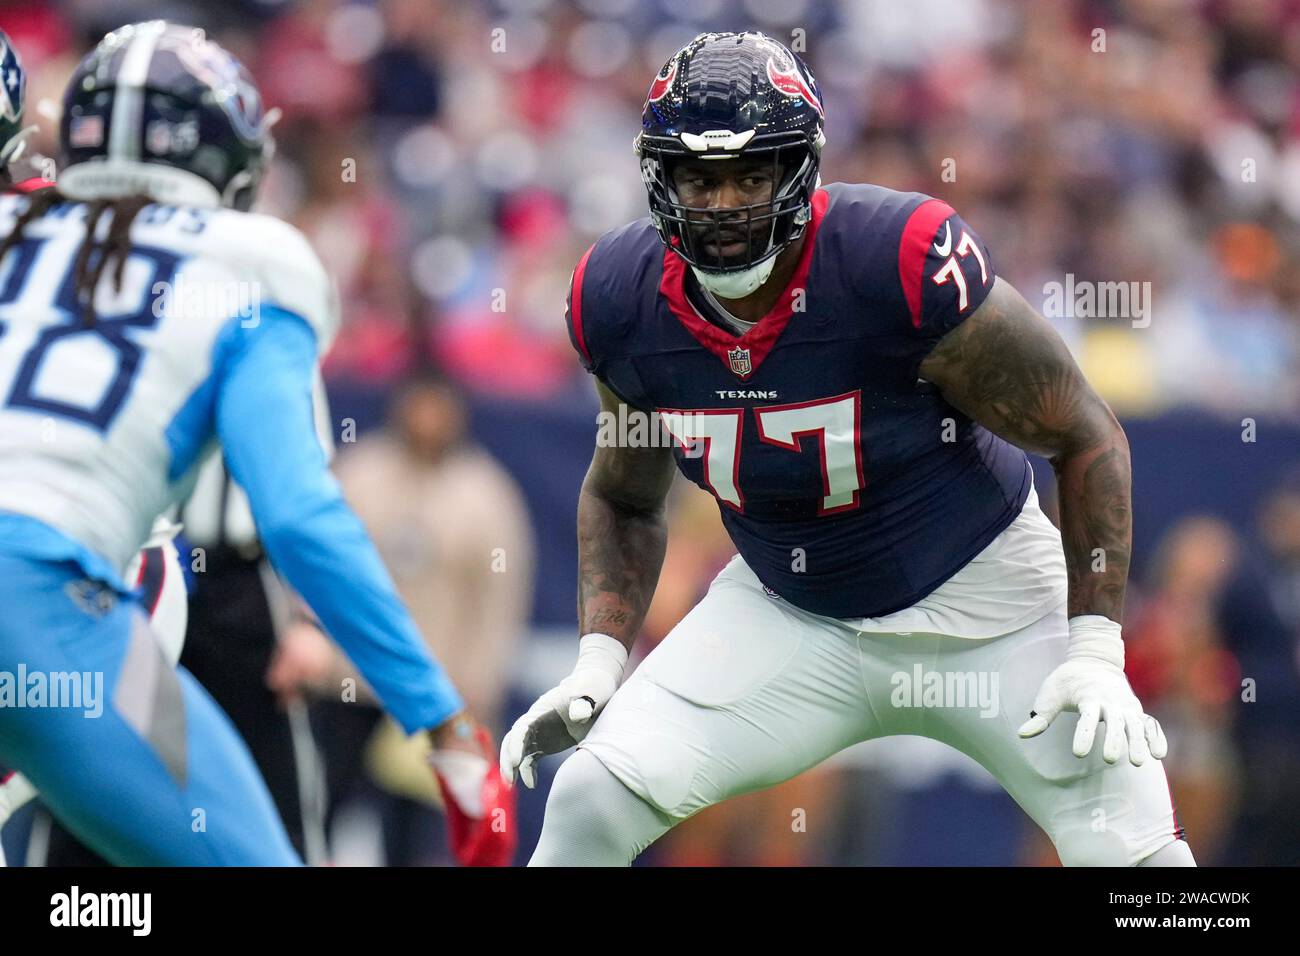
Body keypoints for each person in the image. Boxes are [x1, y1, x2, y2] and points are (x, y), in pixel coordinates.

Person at [502, 30, 1191, 867]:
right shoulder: (618, 298)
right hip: (791, 613)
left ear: (798, 170)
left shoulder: (892, 259)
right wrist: (600, 659)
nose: (724, 207)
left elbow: (1084, 432)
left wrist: (1093, 648)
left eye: (751, 175)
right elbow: (624, 492)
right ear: (659, 177)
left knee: (1140, 857)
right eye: (700, 178)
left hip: (990, 604)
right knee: (591, 798)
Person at [0, 21, 511, 866]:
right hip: (48, 601)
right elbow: (299, 515)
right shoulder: (249, 260)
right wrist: (445, 723)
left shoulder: (16, 226)